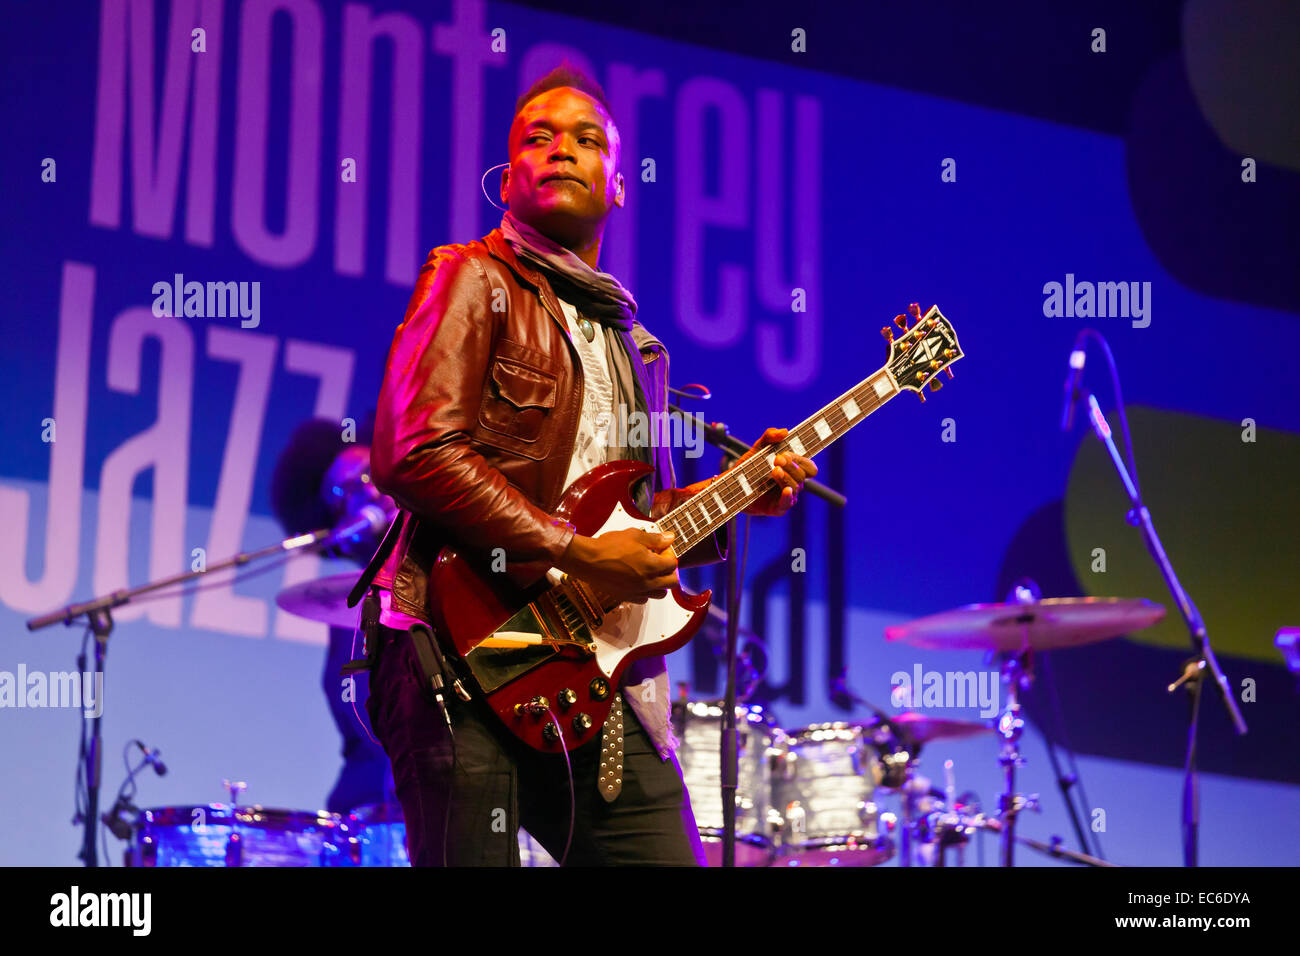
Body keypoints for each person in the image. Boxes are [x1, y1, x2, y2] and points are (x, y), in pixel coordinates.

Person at [365, 61, 816, 866]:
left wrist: (738, 497)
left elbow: (625, 523)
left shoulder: (634, 345)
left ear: (618, 183)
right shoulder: (471, 277)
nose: (561, 150)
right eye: (537, 138)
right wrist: (575, 552)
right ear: (507, 179)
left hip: (589, 669)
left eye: (585, 139)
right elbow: (412, 451)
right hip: (465, 650)